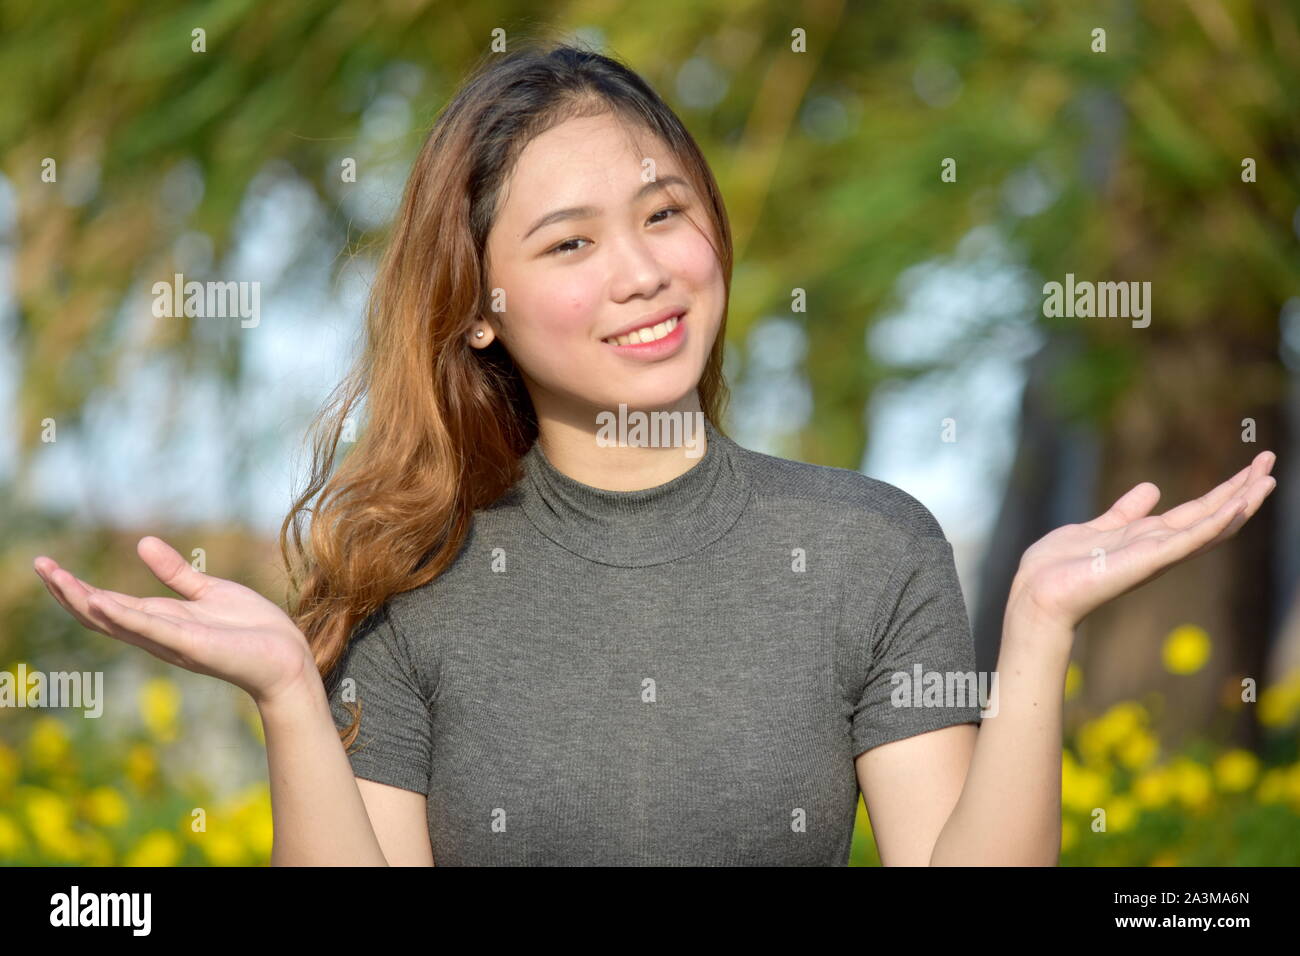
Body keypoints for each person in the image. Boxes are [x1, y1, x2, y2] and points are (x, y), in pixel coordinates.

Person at [32, 41, 1277, 867]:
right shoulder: (411, 581)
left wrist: (1042, 625)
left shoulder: (870, 546)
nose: (642, 273)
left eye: (664, 211)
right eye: (569, 245)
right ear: (478, 305)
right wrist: (290, 701)